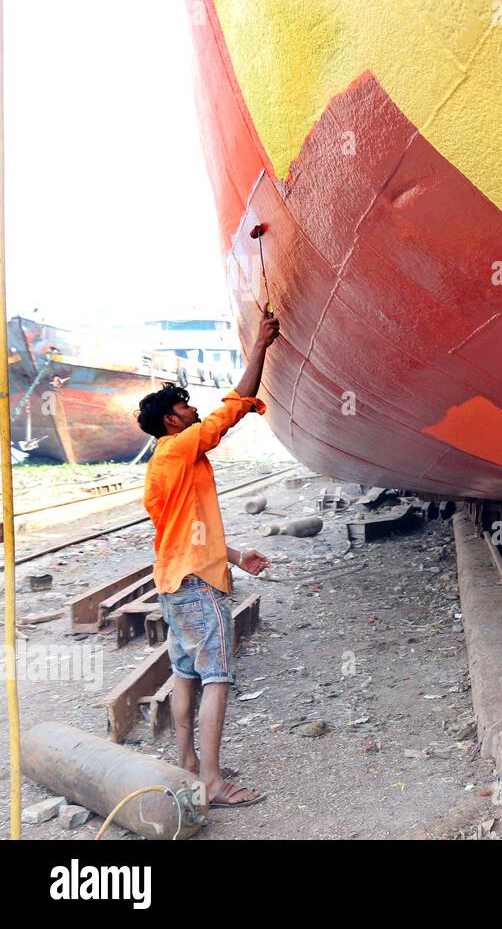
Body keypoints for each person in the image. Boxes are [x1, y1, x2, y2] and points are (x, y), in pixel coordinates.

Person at [135, 305, 280, 808]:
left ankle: (189, 763)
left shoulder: (164, 468)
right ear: (171, 421)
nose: (195, 411)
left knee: (186, 671)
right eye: (186, 408)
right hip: (198, 585)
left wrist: (236, 556)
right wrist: (260, 346)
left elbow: (184, 530)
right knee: (216, 673)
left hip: (175, 582)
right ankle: (214, 783)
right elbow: (233, 408)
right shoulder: (178, 449)